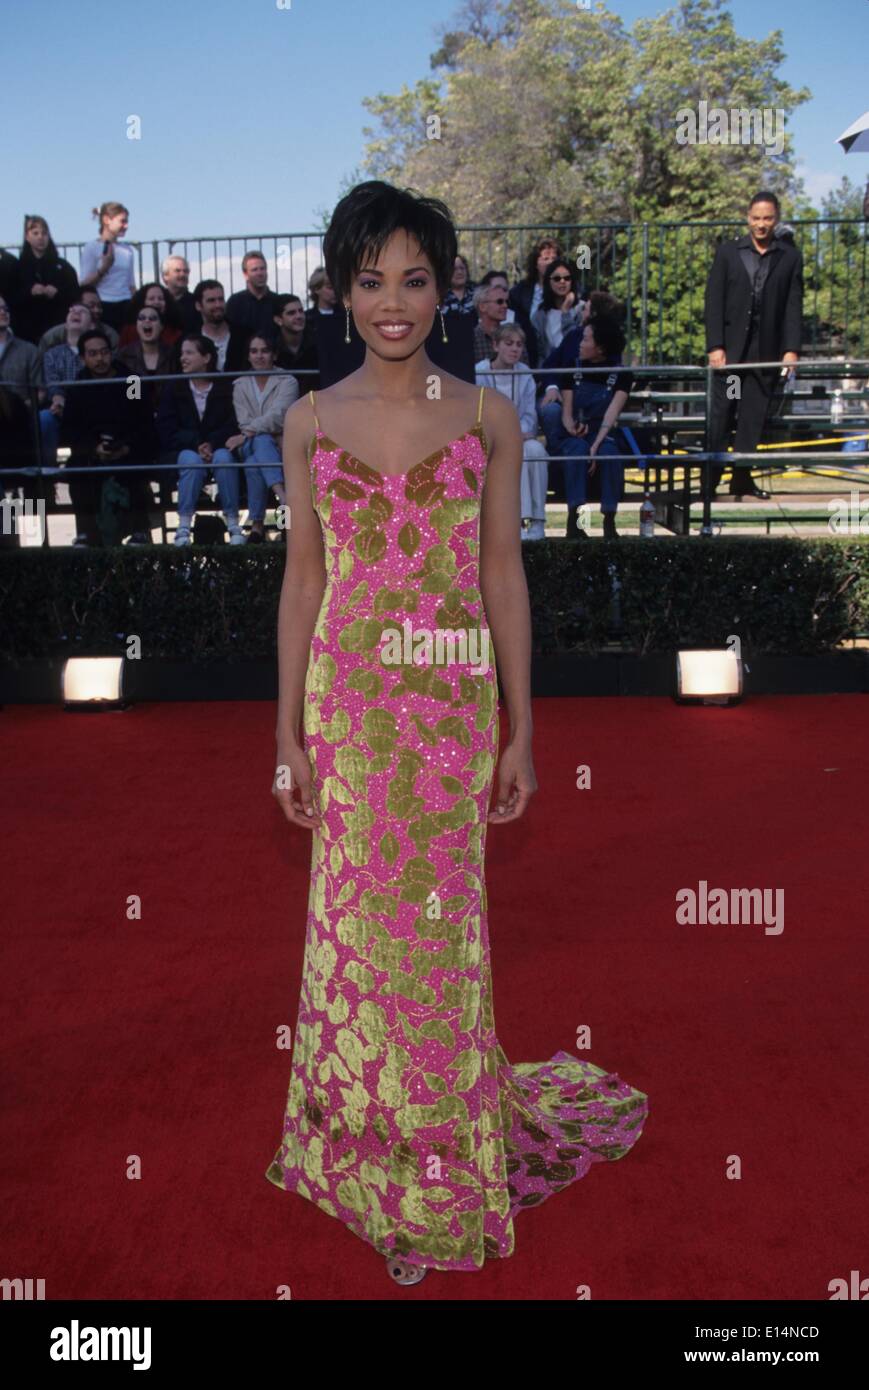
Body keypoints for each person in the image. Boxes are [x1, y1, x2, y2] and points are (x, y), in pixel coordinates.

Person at [264, 178, 648, 1286]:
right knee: (350, 935)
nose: (394, 302)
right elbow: (302, 580)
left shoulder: (487, 416)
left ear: (445, 290)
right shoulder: (304, 421)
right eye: (371, 280)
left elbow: (501, 575)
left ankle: (436, 1166)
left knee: (433, 941)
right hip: (348, 706)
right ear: (341, 292)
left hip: (443, 713)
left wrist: (520, 729)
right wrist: (285, 728)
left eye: (415, 279)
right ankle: (354, 1142)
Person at [704, 190, 803, 499]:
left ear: (776, 219)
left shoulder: (789, 257)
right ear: (748, 218)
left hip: (766, 355)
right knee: (723, 416)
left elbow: (792, 306)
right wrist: (715, 346)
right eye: (756, 218)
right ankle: (711, 481)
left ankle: (742, 478)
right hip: (732, 357)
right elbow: (714, 302)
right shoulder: (729, 253)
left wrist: (791, 349)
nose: (761, 224)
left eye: (768, 218)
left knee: (752, 419)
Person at [59, 328, 157, 546]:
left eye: (103, 352)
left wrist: (125, 447)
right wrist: (95, 449)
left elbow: (143, 420)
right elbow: (70, 431)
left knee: (137, 464)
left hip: (128, 444)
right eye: (93, 354)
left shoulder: (131, 381)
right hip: (93, 450)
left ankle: (139, 529)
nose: (100, 359)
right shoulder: (77, 387)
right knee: (75, 468)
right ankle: (85, 532)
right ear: (83, 357)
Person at [541, 313, 633, 539]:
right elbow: (567, 412)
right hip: (573, 433)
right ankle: (578, 521)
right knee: (577, 451)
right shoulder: (573, 367)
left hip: (599, 432)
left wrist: (597, 445)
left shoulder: (621, 375)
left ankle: (609, 520)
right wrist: (574, 430)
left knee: (610, 453)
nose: (580, 344)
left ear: (600, 347)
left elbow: (610, 416)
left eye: (586, 339)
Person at [155, 334, 247, 545]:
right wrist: (196, 444)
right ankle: (183, 526)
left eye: (189, 353)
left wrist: (212, 444)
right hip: (185, 449)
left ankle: (233, 524)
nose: (183, 358)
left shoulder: (226, 386)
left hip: (221, 447)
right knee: (190, 460)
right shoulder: (174, 387)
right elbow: (166, 426)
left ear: (206, 358)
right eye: (182, 353)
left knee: (224, 458)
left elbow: (233, 422)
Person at [475, 322, 548, 539]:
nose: (515, 349)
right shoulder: (479, 372)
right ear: (496, 345)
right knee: (518, 453)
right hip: (490, 439)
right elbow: (479, 412)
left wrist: (517, 434)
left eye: (519, 344)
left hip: (520, 435)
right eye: (509, 343)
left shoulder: (525, 374)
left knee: (535, 451)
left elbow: (529, 416)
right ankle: (517, 521)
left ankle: (537, 521)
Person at [232, 333, 295, 541]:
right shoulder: (240, 384)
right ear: (248, 356)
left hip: (279, 445)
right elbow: (244, 421)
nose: (259, 356)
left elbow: (280, 415)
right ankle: (283, 498)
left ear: (274, 355)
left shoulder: (288, 381)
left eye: (264, 351)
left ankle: (257, 526)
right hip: (252, 443)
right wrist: (256, 432)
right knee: (260, 441)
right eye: (254, 351)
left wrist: (251, 431)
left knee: (253, 463)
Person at [11, 215, 79, 344]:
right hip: (26, 331)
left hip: (57, 329)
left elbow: (74, 295)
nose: (40, 237)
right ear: (27, 237)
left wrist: (57, 293)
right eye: (35, 233)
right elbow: (11, 297)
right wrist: (29, 292)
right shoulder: (17, 268)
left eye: (44, 233)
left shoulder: (63, 266)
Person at [39, 301, 93, 461]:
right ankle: (48, 475)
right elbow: (53, 385)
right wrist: (60, 403)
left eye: (81, 311)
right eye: (71, 311)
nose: (75, 313)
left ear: (91, 325)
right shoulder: (52, 354)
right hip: (60, 410)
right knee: (44, 418)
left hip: (91, 409)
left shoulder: (99, 353)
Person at [79, 201, 137, 331]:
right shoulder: (91, 247)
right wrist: (104, 268)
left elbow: (131, 285)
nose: (126, 226)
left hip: (125, 303)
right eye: (122, 221)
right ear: (106, 220)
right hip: (102, 304)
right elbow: (84, 284)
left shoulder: (128, 250)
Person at [38, 286, 119, 356]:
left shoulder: (110, 335)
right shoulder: (52, 338)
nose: (97, 310)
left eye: (99, 306)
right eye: (91, 306)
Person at [529, 258, 582, 361]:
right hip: (550, 371)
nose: (562, 282)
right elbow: (539, 352)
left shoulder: (581, 309)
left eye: (567, 278)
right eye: (557, 278)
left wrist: (565, 311)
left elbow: (574, 343)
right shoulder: (540, 315)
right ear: (548, 282)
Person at [192, 280, 246, 372]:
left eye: (221, 299)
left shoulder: (244, 336)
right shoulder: (191, 339)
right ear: (198, 306)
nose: (218, 305)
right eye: (211, 301)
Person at [225, 252, 282, 340]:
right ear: (245, 275)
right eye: (254, 270)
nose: (260, 273)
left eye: (262, 269)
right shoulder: (235, 302)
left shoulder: (278, 301)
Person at [472, 282, 530, 366]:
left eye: (506, 301)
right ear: (482, 307)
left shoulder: (515, 336)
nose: (505, 305)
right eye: (500, 301)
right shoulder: (470, 339)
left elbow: (524, 370)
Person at [272, 293, 320, 393]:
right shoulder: (271, 346)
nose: (299, 316)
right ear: (278, 320)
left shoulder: (318, 342)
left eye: (301, 311)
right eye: (291, 313)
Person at [118, 283, 182, 348]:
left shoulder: (175, 332)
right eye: (151, 299)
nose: (157, 302)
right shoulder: (129, 332)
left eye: (160, 299)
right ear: (142, 302)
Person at [161, 254, 201, 333]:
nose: (182, 274)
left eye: (185, 271)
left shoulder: (196, 302)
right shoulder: (159, 302)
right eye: (177, 271)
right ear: (165, 275)